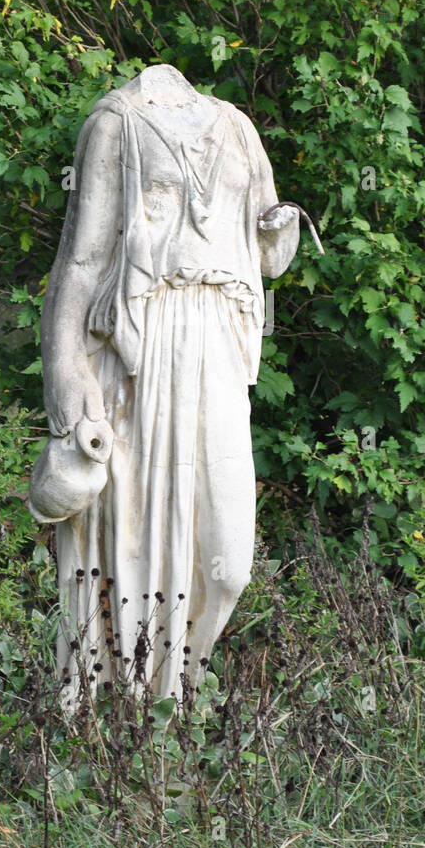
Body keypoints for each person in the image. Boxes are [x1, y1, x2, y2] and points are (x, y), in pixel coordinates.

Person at [34, 64, 299, 704]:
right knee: (128, 540)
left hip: (218, 353)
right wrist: (67, 382)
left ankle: (177, 688)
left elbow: (269, 256)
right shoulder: (115, 124)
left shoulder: (236, 127)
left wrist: (280, 230)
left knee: (229, 563)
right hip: (139, 357)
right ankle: (131, 719)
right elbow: (81, 260)